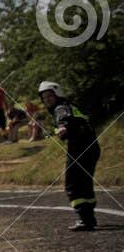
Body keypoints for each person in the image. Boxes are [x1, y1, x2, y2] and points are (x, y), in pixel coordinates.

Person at [38, 80, 99, 231]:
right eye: (44, 98)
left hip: (79, 148)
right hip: (92, 147)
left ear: (57, 94)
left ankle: (85, 219)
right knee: (85, 182)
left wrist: (63, 127)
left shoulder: (60, 108)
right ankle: (89, 217)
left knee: (72, 184)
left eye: (49, 96)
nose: (47, 100)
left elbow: (64, 118)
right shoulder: (71, 106)